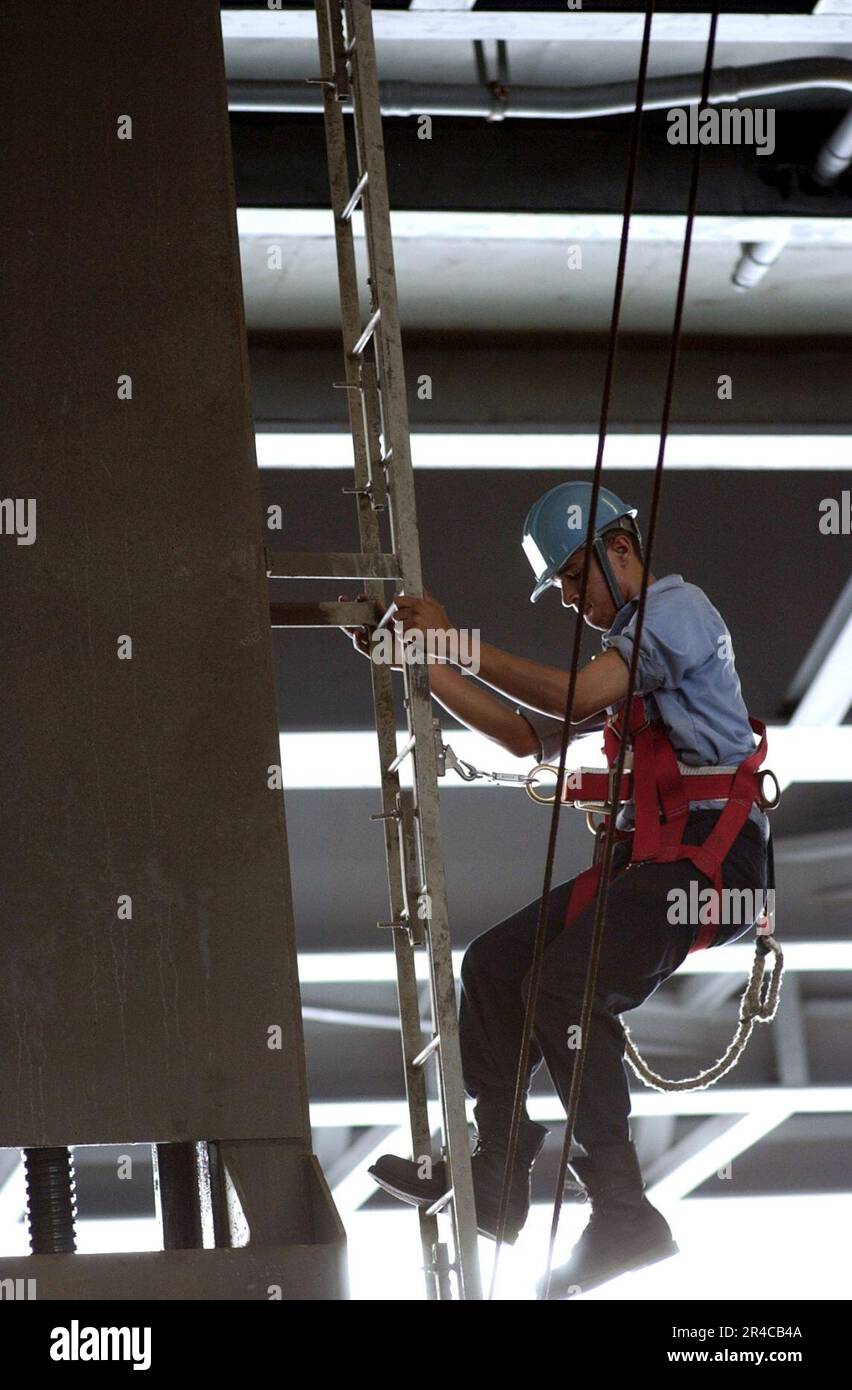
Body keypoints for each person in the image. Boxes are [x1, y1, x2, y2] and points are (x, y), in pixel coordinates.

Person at [339, 481, 771, 1298]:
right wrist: (418, 664)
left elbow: (567, 697)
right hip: (658, 865)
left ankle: (623, 1211)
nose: (570, 598)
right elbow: (526, 735)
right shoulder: (629, 654)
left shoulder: (676, 612)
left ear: (620, 548)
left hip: (720, 868)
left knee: (567, 986)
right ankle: (499, 1173)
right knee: (498, 968)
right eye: (562, 586)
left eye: (575, 576)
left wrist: (454, 640)